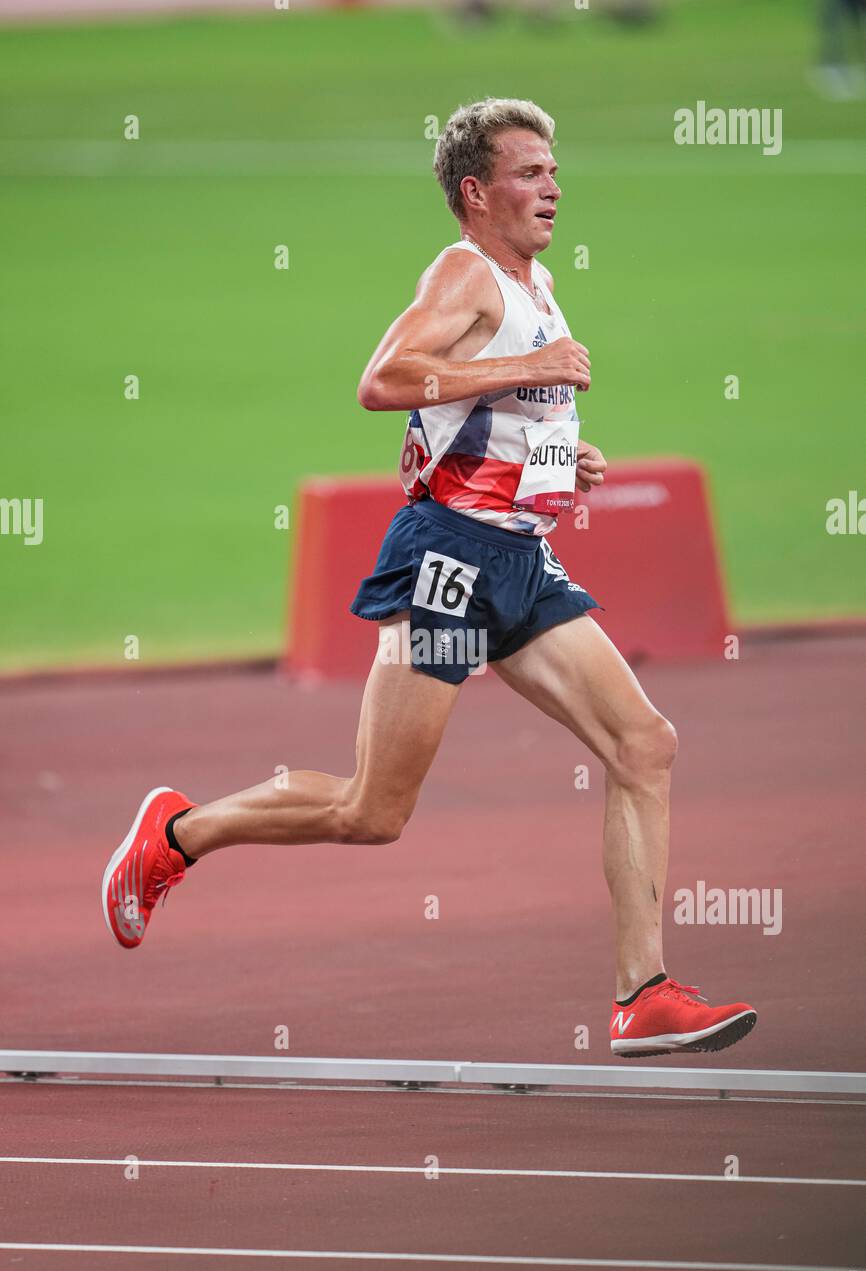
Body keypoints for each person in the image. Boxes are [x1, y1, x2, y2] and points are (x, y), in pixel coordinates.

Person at [102, 98, 756, 1059]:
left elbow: (473, 416)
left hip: (519, 562)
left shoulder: (533, 282)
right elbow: (385, 379)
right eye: (530, 172)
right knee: (376, 812)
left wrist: (554, 457)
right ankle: (178, 833)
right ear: (476, 191)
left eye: (555, 169)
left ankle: (641, 996)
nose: (553, 186)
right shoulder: (467, 274)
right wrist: (532, 368)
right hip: (448, 566)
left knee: (644, 746)